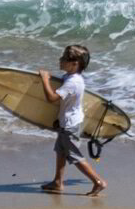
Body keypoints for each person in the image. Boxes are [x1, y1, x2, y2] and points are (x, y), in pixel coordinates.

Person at [38, 44, 107, 196]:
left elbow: (52, 99)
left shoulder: (72, 82)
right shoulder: (71, 77)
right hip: (67, 121)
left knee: (75, 156)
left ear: (74, 64)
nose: (60, 59)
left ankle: (98, 182)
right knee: (61, 152)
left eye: (64, 58)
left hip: (70, 126)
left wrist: (45, 80)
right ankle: (57, 182)